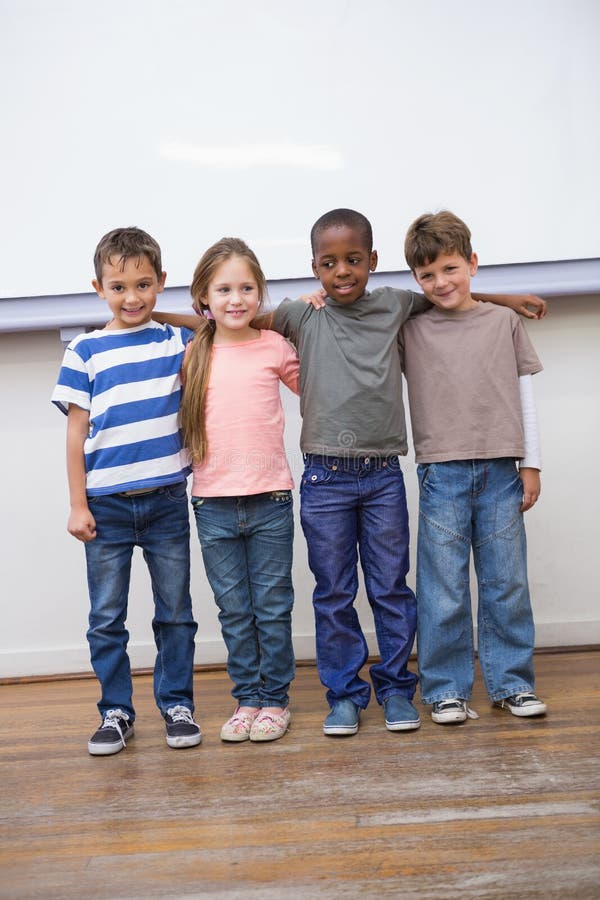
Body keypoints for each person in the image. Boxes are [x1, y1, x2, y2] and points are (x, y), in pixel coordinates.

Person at [269, 208, 547, 737]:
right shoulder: (352, 317)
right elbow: (246, 316)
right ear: (314, 268)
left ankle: (462, 686)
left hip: (440, 472)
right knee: (383, 589)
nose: (343, 271)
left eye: (354, 259)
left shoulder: (445, 314)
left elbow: (468, 317)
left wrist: (507, 300)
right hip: (377, 474)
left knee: (456, 585)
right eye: (329, 263)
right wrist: (193, 314)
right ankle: (395, 693)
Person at [51, 226, 201, 756]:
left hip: (165, 502)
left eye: (143, 284)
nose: (132, 297)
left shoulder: (176, 340)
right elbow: (75, 431)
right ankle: (115, 711)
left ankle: (177, 703)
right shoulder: (85, 350)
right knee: (106, 616)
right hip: (106, 507)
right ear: (99, 288)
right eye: (118, 287)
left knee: (175, 611)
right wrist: (77, 504)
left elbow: (219, 324)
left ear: (162, 282)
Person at [401, 210, 547, 724]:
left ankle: (511, 683)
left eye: (450, 269)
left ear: (473, 264)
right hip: (442, 472)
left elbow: (526, 395)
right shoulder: (411, 327)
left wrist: (532, 464)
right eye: (427, 275)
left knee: (506, 582)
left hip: (502, 471)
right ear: (415, 280)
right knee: (443, 587)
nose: (440, 282)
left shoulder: (503, 322)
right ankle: (445, 688)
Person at [180, 238, 299, 743]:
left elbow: (319, 388)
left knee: (272, 605)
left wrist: (307, 312)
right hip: (212, 503)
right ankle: (246, 697)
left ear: (261, 292)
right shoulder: (194, 352)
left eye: (247, 288)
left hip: (270, 497)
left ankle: (275, 700)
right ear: (204, 296)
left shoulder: (275, 346)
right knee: (234, 609)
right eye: (224, 289)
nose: (236, 299)